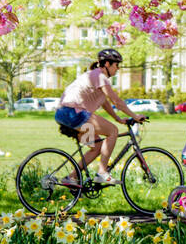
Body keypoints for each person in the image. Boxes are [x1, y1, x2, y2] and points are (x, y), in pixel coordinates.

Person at [54, 48, 144, 185]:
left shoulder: (95, 77)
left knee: (96, 147)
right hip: (73, 113)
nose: (118, 68)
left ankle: (71, 178)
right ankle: (102, 172)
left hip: (66, 114)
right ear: (107, 64)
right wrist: (135, 116)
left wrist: (118, 119)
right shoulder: (100, 76)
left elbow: (106, 103)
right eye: (116, 65)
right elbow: (117, 102)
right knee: (113, 131)